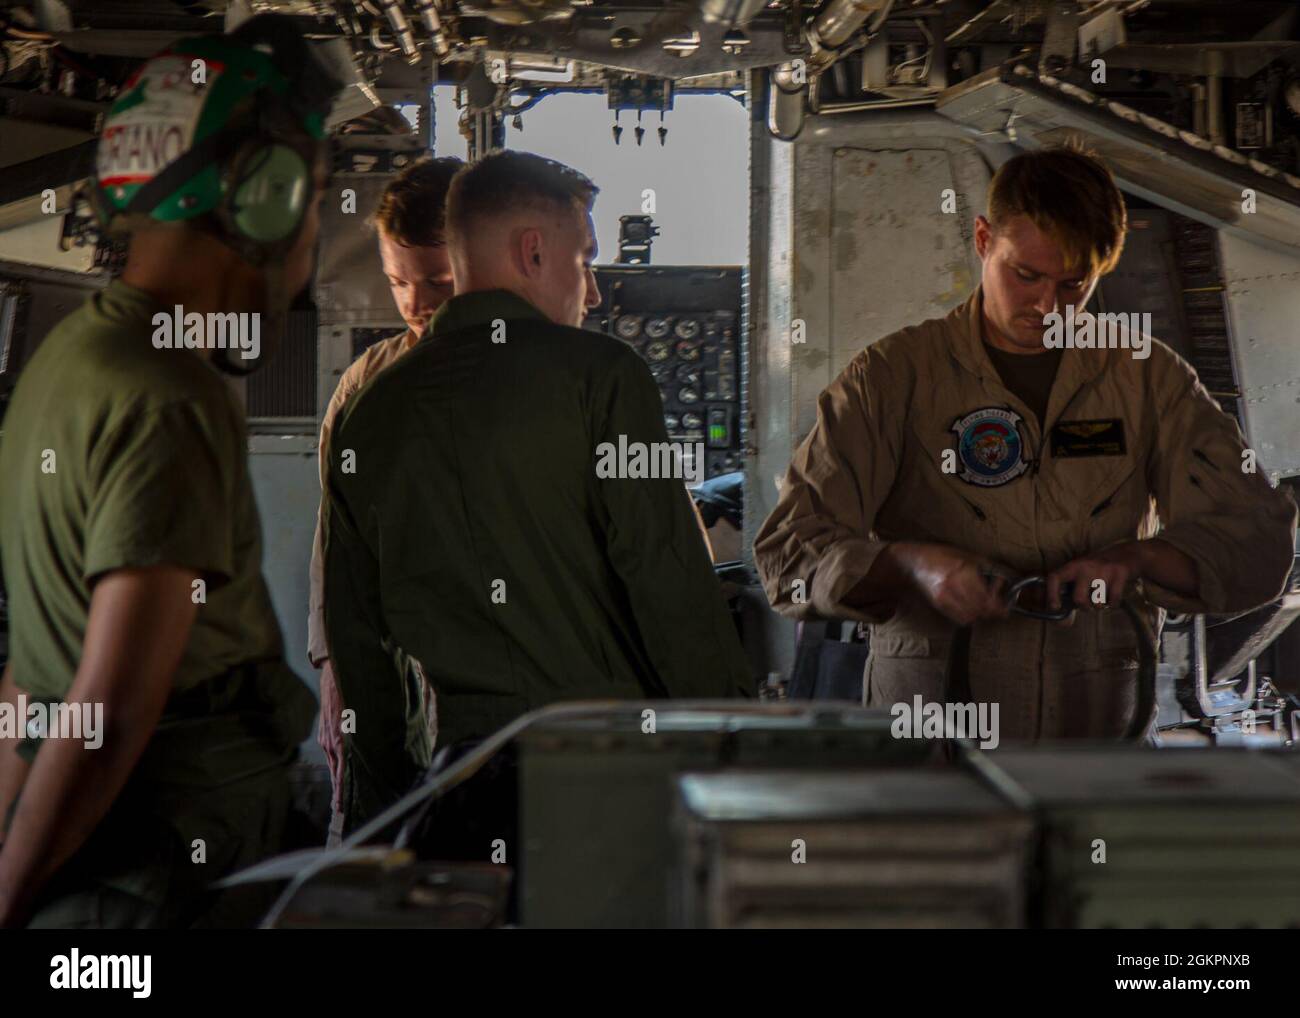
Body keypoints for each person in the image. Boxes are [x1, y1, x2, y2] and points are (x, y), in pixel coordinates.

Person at [754, 145, 1297, 740]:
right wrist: (912, 566)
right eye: (1026, 275)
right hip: (938, 745)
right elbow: (788, 558)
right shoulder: (892, 376)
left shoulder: (1145, 377)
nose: (1046, 306)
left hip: (1095, 740)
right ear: (984, 239)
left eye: (1073, 284)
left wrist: (1136, 561)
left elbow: (1258, 540)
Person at [0, 15, 340, 927]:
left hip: (85, 869)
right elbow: (108, 705)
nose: (312, 238)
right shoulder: (169, 396)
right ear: (262, 199)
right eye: (311, 203)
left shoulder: (66, 360)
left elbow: (31, 680)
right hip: (164, 878)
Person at [323, 150, 752, 834]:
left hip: (461, 776)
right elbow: (667, 578)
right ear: (532, 251)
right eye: (583, 261)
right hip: (603, 762)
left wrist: (391, 809)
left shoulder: (371, 408)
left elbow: (356, 634)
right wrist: (732, 739)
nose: (595, 292)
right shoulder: (604, 377)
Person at [308, 156, 462, 844]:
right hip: (374, 655)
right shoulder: (364, 383)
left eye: (437, 281)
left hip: (479, 667)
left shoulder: (529, 376)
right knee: (377, 841)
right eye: (399, 282)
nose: (417, 302)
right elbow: (331, 544)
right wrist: (331, 670)